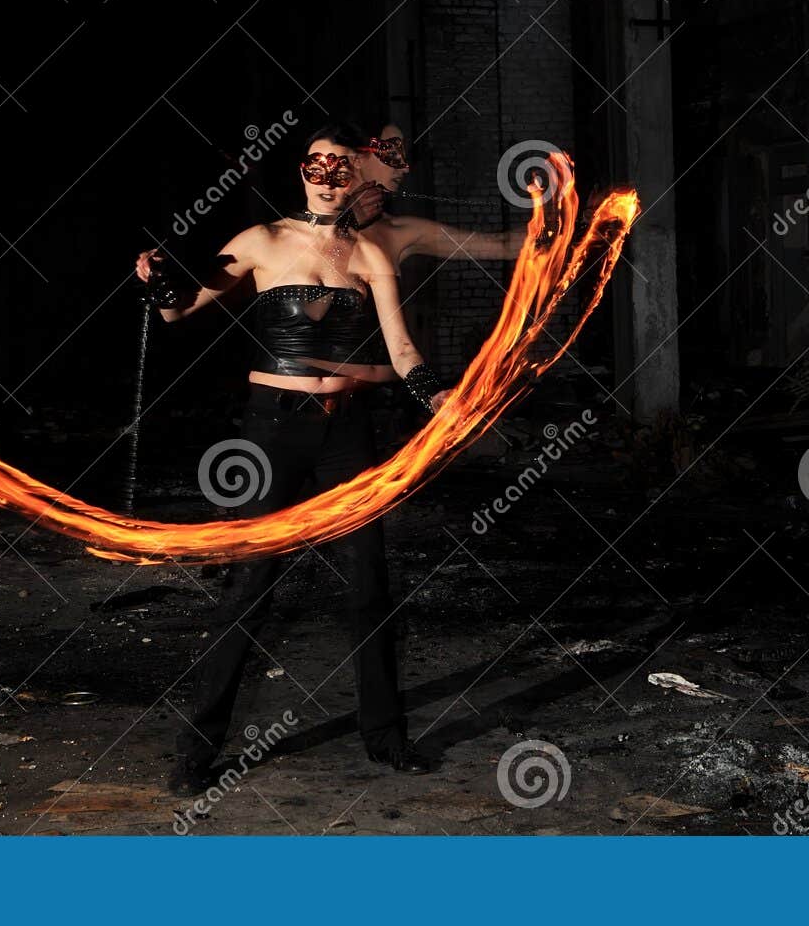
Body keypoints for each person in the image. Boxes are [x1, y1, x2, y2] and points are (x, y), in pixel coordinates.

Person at [134, 122, 448, 794]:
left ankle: (385, 737)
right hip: (272, 430)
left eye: (341, 163)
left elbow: (400, 348)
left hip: (346, 433)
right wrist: (159, 280)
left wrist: (438, 395)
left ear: (356, 177)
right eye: (317, 161)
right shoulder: (263, 241)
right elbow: (178, 310)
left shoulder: (369, 254)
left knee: (370, 584)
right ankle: (195, 756)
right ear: (301, 170)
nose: (328, 172)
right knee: (249, 588)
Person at [343, 122, 550, 267]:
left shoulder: (398, 231)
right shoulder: (315, 223)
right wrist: (345, 225)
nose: (405, 168)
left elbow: (502, 245)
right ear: (357, 159)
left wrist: (568, 227)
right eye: (391, 154)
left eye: (404, 155)